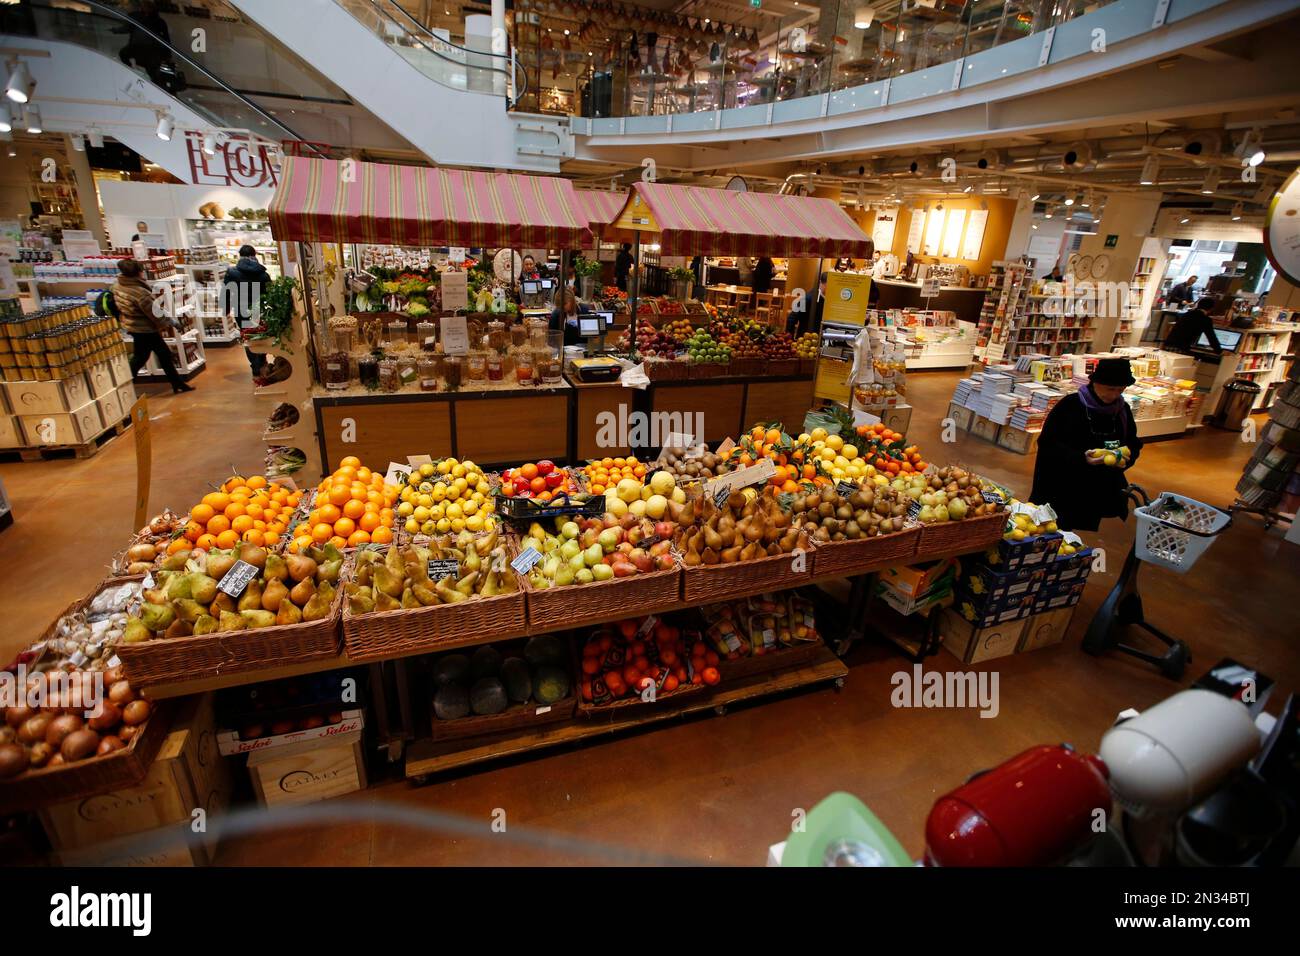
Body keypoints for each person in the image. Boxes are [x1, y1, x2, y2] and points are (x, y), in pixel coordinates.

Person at [1029, 358, 1142, 532]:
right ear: (1095, 383)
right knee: (1050, 527)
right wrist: (1081, 458)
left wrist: (1125, 457)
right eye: (1110, 388)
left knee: (1071, 532)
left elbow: (1133, 443)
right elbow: (1048, 443)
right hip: (1062, 486)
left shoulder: (1122, 410)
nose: (1113, 395)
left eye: (1120, 390)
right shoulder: (1070, 406)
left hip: (1094, 490)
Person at [114, 258, 193, 394]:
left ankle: (177, 383)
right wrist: (172, 323)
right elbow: (155, 313)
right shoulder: (140, 292)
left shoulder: (118, 286)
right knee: (144, 358)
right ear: (138, 273)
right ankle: (124, 386)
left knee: (158, 355)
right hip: (145, 329)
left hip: (134, 326)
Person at [222, 244, 272, 377]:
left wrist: (225, 308)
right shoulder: (262, 273)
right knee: (260, 334)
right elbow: (270, 292)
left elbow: (226, 292)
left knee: (247, 335)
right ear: (254, 255)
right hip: (258, 308)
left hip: (240, 308)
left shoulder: (232, 273)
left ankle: (254, 365)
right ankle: (261, 361)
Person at [115, 0, 170, 86]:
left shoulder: (140, 18)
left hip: (145, 51)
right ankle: (157, 87)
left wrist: (115, 30)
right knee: (153, 72)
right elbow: (166, 39)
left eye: (145, 6)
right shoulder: (158, 21)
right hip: (150, 52)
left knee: (152, 71)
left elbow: (127, 28)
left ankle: (136, 74)